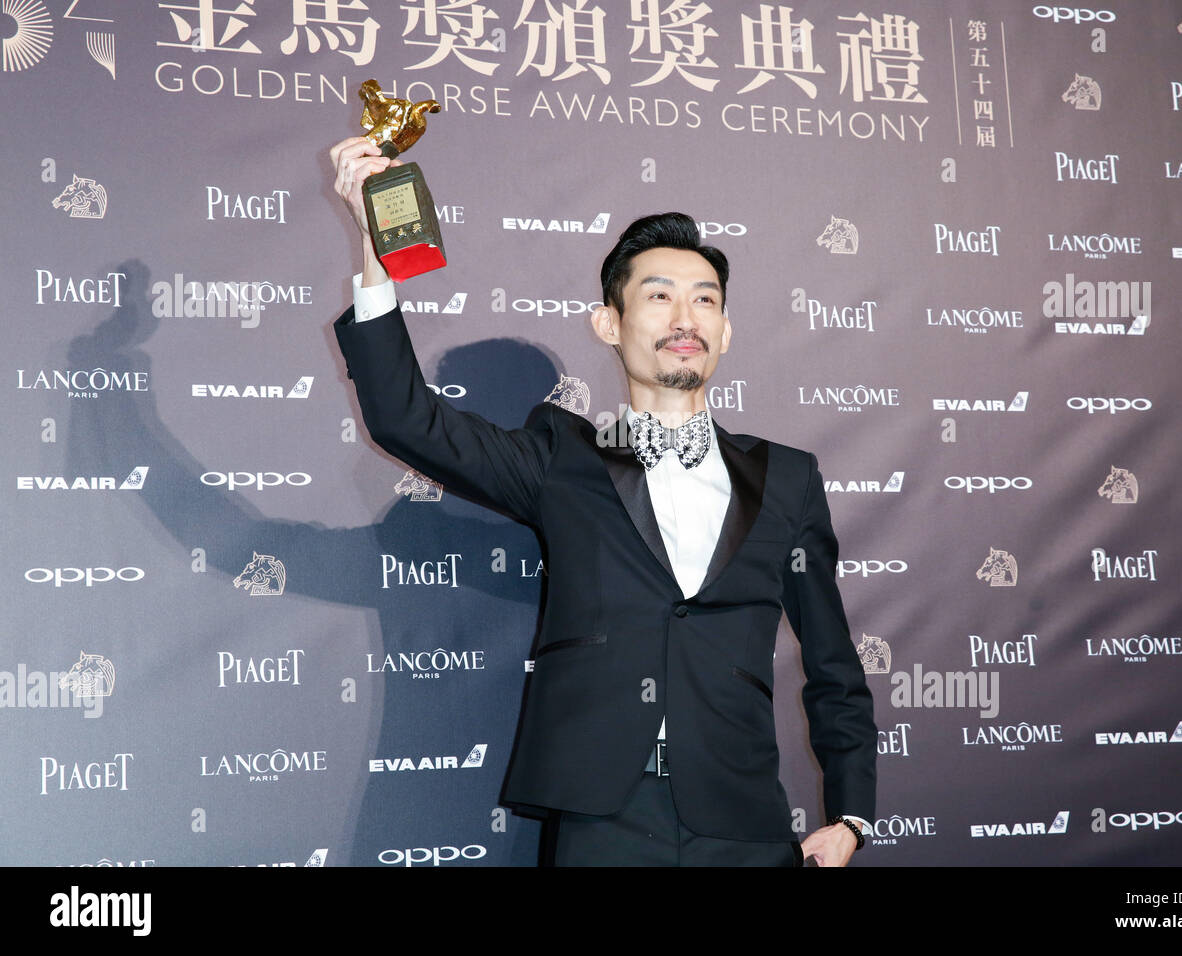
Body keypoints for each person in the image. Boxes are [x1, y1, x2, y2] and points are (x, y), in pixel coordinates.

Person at [329, 137, 876, 866]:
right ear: (609, 325)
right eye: (659, 295)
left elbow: (835, 658)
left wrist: (852, 815)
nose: (686, 316)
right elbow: (404, 417)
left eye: (704, 299)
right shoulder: (563, 460)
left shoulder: (789, 478)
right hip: (602, 822)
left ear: (726, 331)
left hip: (743, 820)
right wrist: (376, 246)